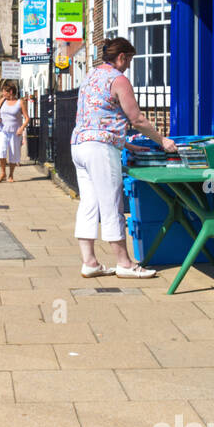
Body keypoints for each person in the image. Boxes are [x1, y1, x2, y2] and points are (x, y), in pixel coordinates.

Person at [71, 37, 177, 278]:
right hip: (100, 149)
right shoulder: (118, 79)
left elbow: (95, 115)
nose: (128, 65)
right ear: (121, 57)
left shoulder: (90, 76)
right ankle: (125, 264)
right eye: (129, 60)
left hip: (79, 145)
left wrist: (125, 143)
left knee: (89, 204)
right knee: (112, 204)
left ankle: (90, 262)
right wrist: (162, 140)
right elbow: (136, 119)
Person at [0, 81, 28, 184]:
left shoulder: (20, 102)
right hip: (2, 131)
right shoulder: (2, 100)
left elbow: (27, 118)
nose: (3, 93)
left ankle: (11, 175)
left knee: (13, 154)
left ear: (11, 92)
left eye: (4, 91)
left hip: (15, 132)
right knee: (1, 152)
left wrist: (22, 128)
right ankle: (3, 173)